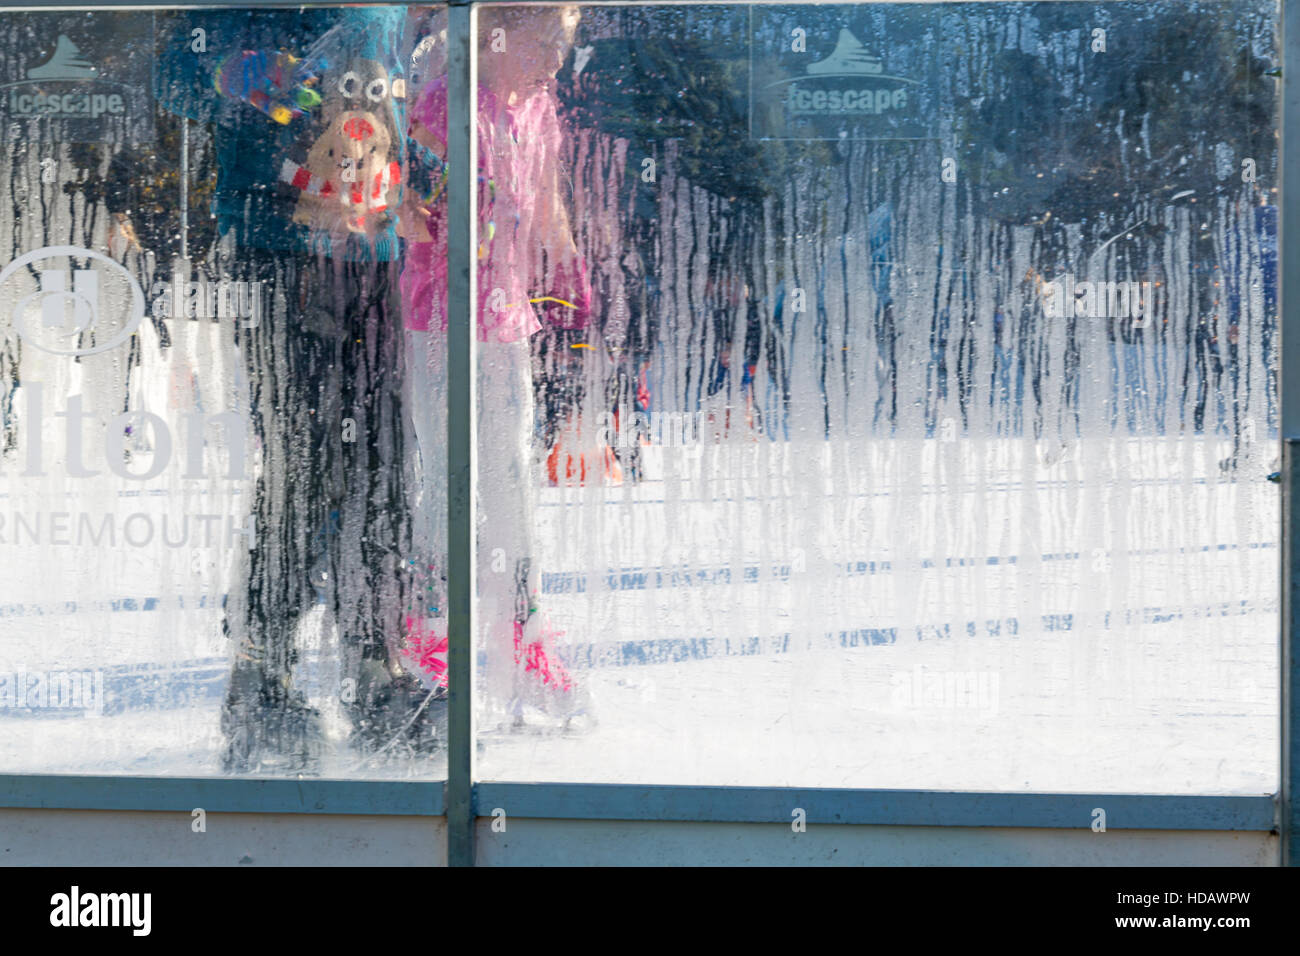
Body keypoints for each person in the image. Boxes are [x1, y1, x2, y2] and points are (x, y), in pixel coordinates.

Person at [156, 7, 440, 772]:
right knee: (302, 461)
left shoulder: (380, 9)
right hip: (274, 246)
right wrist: (227, 72)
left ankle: (376, 664)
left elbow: (368, 108)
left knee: (383, 465)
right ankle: (263, 671)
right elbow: (172, 74)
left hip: (371, 249)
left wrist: (422, 167)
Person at [400, 5, 594, 729]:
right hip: (442, 319)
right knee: (449, 485)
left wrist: (571, 266)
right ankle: (432, 651)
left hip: (507, 320)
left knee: (512, 481)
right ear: (495, 34)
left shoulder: (539, 109)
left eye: (562, 46)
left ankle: (524, 650)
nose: (554, 60)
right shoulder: (446, 102)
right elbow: (413, 197)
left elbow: (545, 203)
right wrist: (430, 208)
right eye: (544, 41)